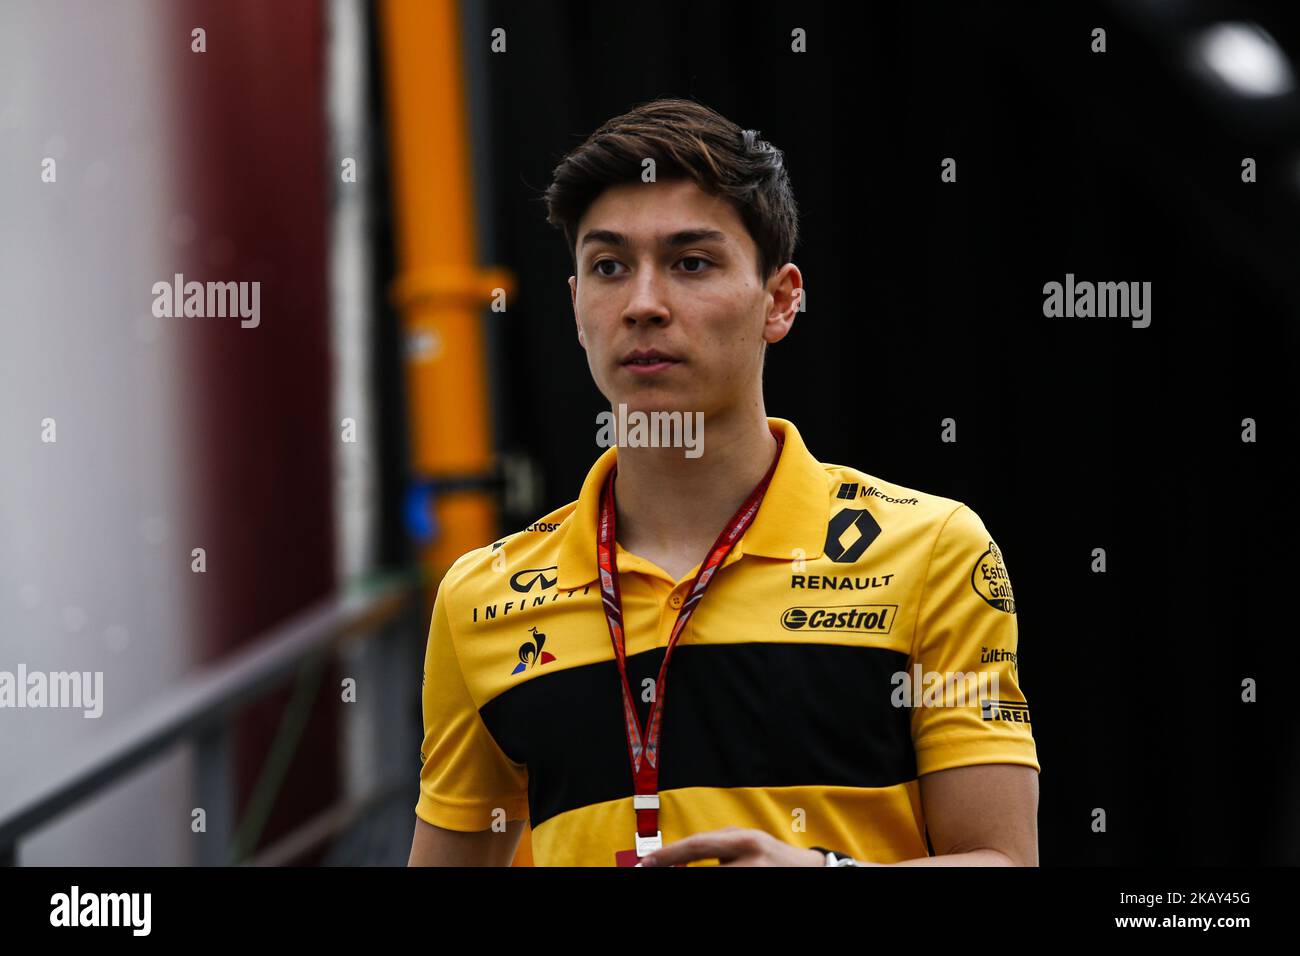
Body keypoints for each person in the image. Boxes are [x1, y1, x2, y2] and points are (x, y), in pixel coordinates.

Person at [408, 97, 1039, 867]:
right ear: (577, 309)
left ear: (780, 301)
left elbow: (1004, 861)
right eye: (609, 267)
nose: (643, 304)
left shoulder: (931, 551)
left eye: (691, 263)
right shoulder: (482, 597)